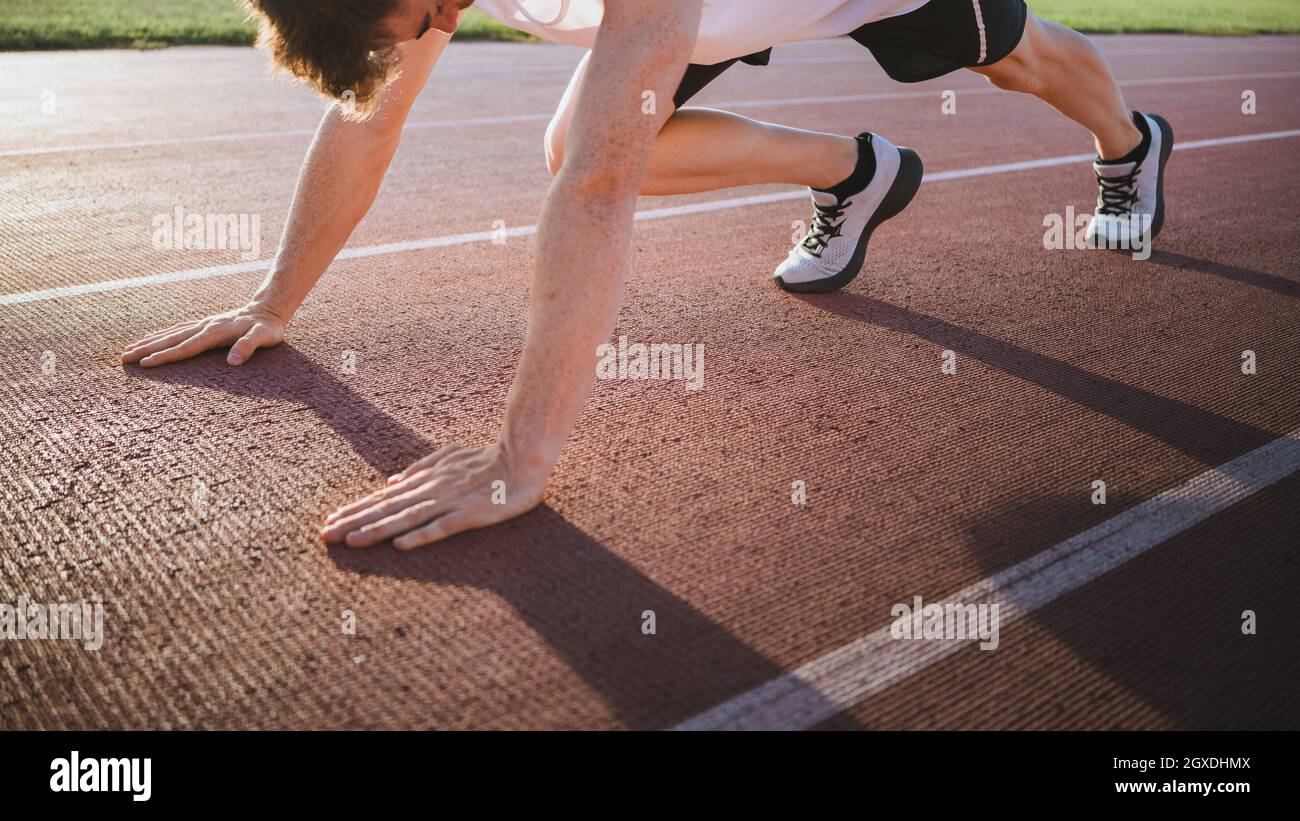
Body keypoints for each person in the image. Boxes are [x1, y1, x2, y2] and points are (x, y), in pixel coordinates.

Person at [120, 0, 1173, 549]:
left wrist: (518, 457)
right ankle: (858, 173)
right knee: (578, 136)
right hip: (698, 8)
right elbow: (370, 113)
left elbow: (599, 190)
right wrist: (273, 299)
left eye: (435, 6)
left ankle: (1128, 144)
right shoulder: (414, 0)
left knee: (1014, 56)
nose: (448, 24)